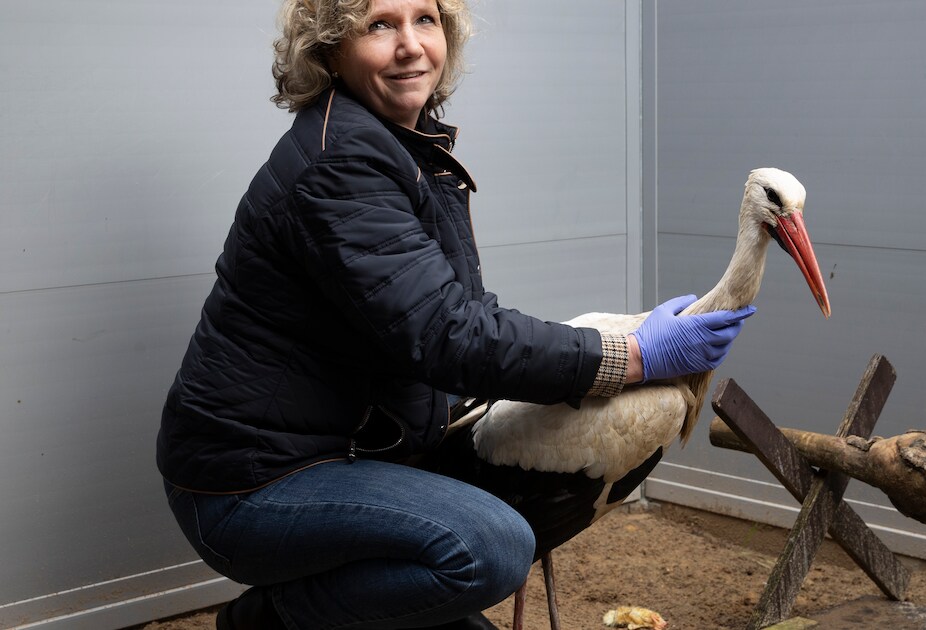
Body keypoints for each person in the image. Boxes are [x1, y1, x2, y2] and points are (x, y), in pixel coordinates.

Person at [156, 0, 754, 628]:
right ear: (331, 50)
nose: (411, 44)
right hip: (252, 486)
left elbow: (449, 315)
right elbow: (449, 334)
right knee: (491, 547)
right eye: (379, 25)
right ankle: (267, 621)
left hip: (341, 454)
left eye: (426, 19)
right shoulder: (342, 162)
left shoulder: (399, 144)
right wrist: (634, 354)